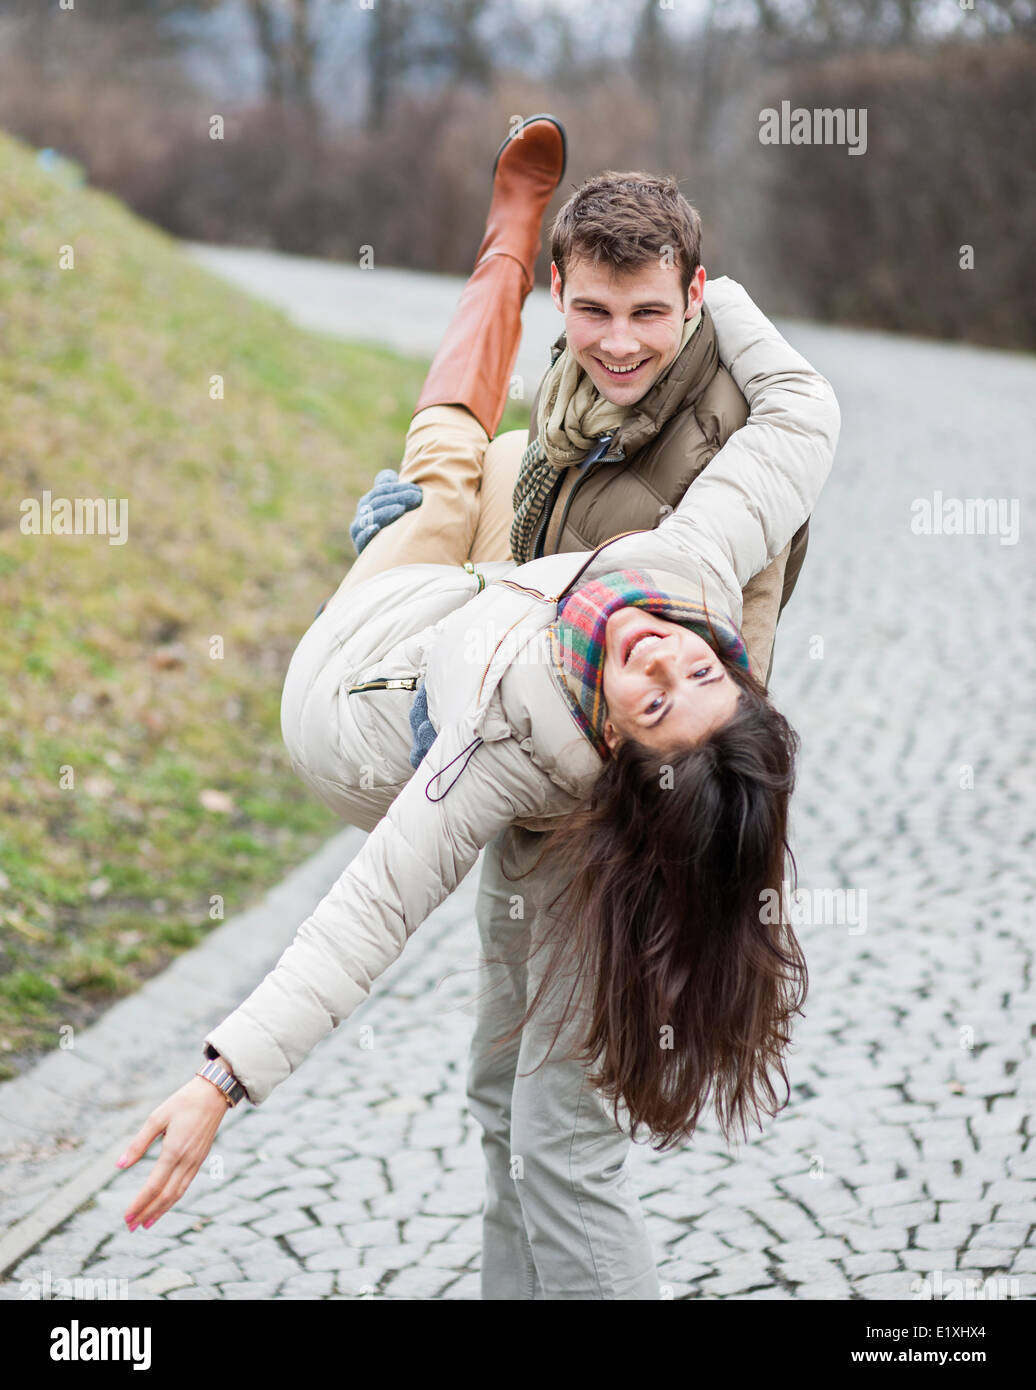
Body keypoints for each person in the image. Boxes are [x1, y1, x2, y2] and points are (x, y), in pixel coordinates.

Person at [115, 118, 840, 1299]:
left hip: (378, 699)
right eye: (697, 672)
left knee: (448, 461)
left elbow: (372, 908)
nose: (663, 658)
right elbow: (805, 415)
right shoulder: (683, 573)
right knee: (507, 1097)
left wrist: (219, 1081)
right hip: (468, 637)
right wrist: (724, 298)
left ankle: (499, 242)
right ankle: (505, 254)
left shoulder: (522, 735)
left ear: (620, 743)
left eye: (651, 313)